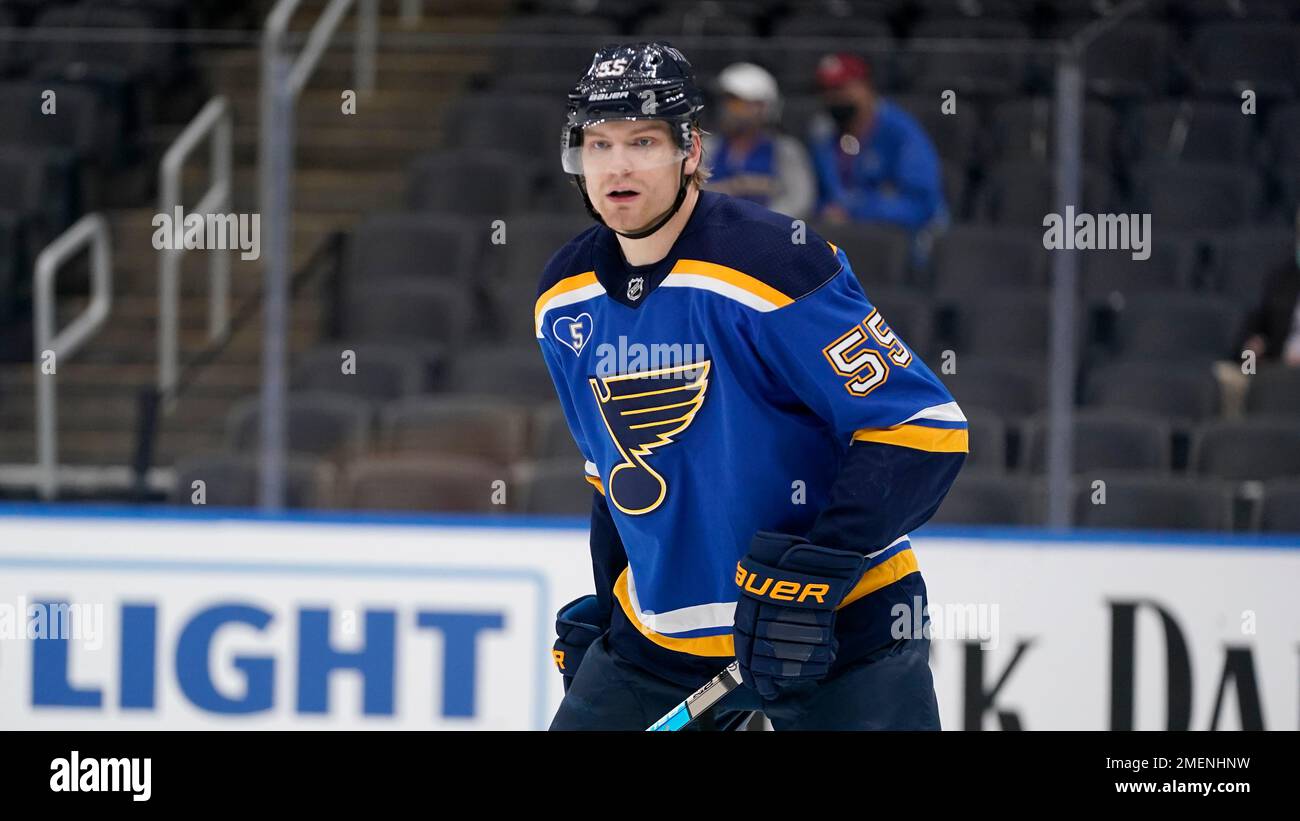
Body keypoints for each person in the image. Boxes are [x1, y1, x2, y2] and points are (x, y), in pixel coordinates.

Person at [537, 42, 967, 731]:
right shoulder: (563, 299)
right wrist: (615, 605)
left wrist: (816, 572)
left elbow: (922, 431)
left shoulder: (775, 261)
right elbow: (610, 477)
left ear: (691, 151)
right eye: (598, 143)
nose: (617, 165)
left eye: (643, 141)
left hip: (840, 633)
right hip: (661, 647)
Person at [809, 52, 947, 237]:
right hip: (847, 236)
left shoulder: (901, 132)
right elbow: (823, 195)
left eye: (841, 88)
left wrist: (855, 211)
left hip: (904, 237)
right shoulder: (823, 133)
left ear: (866, 87)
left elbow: (921, 204)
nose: (834, 98)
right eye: (827, 90)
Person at [702, 62, 815, 220]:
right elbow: (693, 196)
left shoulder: (785, 150)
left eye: (736, 103)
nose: (726, 109)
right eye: (725, 102)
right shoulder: (707, 148)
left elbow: (800, 200)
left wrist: (760, 222)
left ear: (761, 107)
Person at [1242, 206, 1300, 367]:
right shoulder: (1280, 280)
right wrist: (1250, 367)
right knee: (1229, 374)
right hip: (1282, 373)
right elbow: (1250, 340)